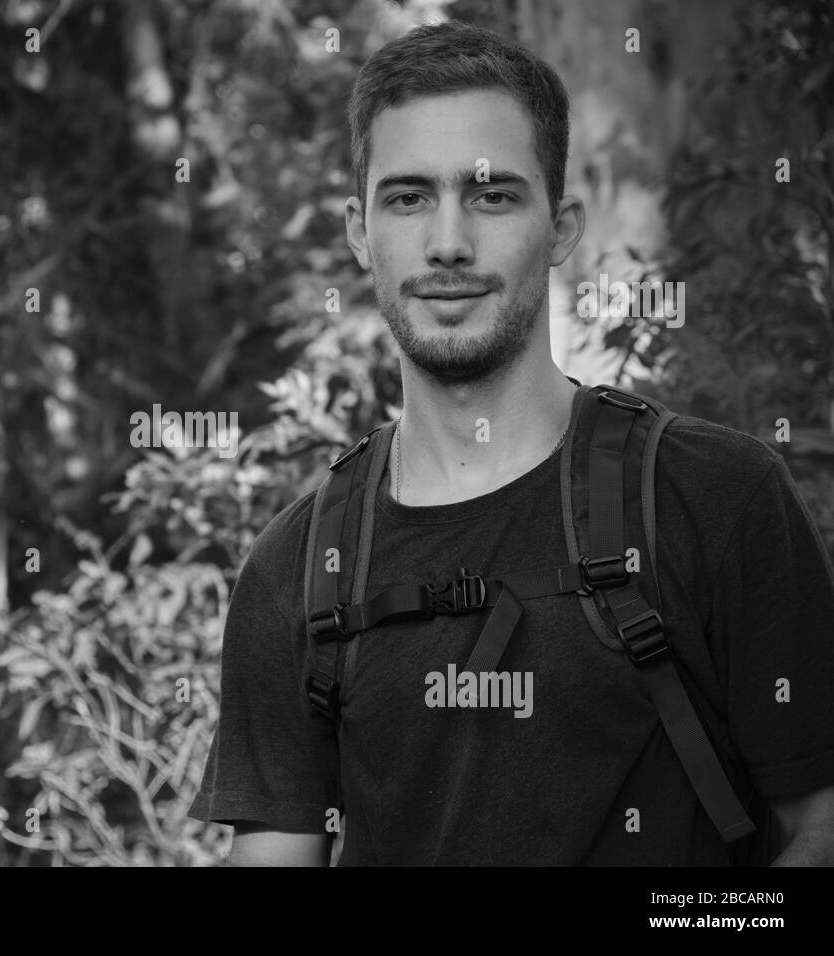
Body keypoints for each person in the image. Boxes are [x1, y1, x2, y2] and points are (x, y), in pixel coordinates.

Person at [187, 20, 834, 866]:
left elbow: (817, 829)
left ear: (561, 226)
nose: (448, 242)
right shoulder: (296, 568)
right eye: (409, 197)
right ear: (359, 230)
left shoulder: (718, 497)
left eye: (492, 195)